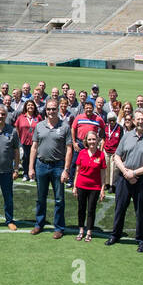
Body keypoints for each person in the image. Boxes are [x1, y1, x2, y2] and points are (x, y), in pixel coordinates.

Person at [107, 110, 143, 253]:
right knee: (119, 208)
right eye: (138, 119)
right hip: (124, 178)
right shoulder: (127, 135)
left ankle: (142, 239)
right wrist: (126, 172)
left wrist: (134, 173)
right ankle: (115, 235)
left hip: (142, 179)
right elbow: (117, 156)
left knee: (141, 211)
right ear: (134, 120)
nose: (141, 121)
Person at [28, 99, 72, 238]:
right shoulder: (39, 126)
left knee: (59, 198)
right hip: (41, 165)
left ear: (58, 109)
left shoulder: (65, 127)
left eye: (54, 109)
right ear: (45, 110)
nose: (51, 112)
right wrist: (30, 167)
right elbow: (34, 148)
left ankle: (59, 227)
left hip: (58, 166)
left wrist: (66, 169)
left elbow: (69, 149)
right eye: (49, 109)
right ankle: (39, 224)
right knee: (41, 197)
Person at [73, 130, 106, 241]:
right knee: (81, 209)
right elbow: (77, 170)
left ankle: (89, 232)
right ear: (86, 141)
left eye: (93, 139)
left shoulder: (101, 155)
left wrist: (102, 189)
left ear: (97, 140)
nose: (92, 141)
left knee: (91, 209)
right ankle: (81, 230)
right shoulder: (82, 153)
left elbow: (103, 173)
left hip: (94, 187)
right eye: (89, 139)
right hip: (81, 185)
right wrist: (74, 186)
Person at [14, 100, 40, 181]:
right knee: (25, 158)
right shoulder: (21, 117)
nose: (30, 107)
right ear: (25, 107)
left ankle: (33, 174)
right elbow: (17, 128)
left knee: (34, 158)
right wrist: (18, 139)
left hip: (35, 142)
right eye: (28, 105)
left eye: (32, 105)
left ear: (34, 107)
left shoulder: (38, 117)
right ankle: (25, 174)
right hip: (24, 141)